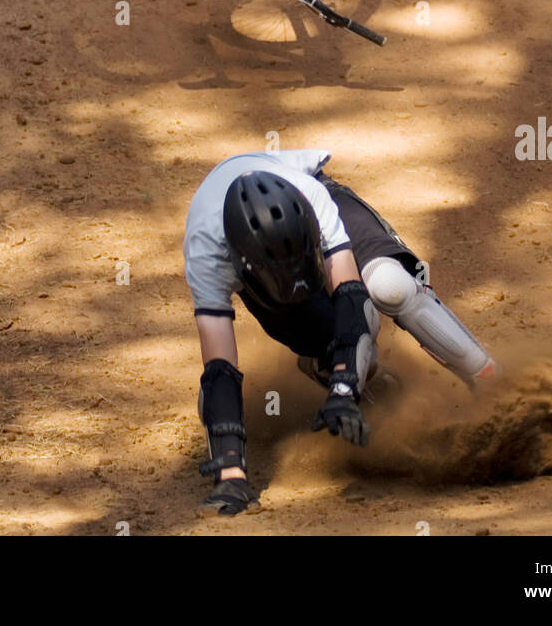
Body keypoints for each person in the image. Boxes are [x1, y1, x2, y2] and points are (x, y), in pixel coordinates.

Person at [183, 147, 498, 516]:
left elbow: (353, 300)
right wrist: (230, 472)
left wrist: (342, 389)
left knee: (387, 285)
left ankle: (491, 378)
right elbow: (220, 367)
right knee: (233, 387)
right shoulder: (207, 253)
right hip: (248, 254)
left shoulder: (311, 197)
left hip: (313, 204)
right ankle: (357, 383)